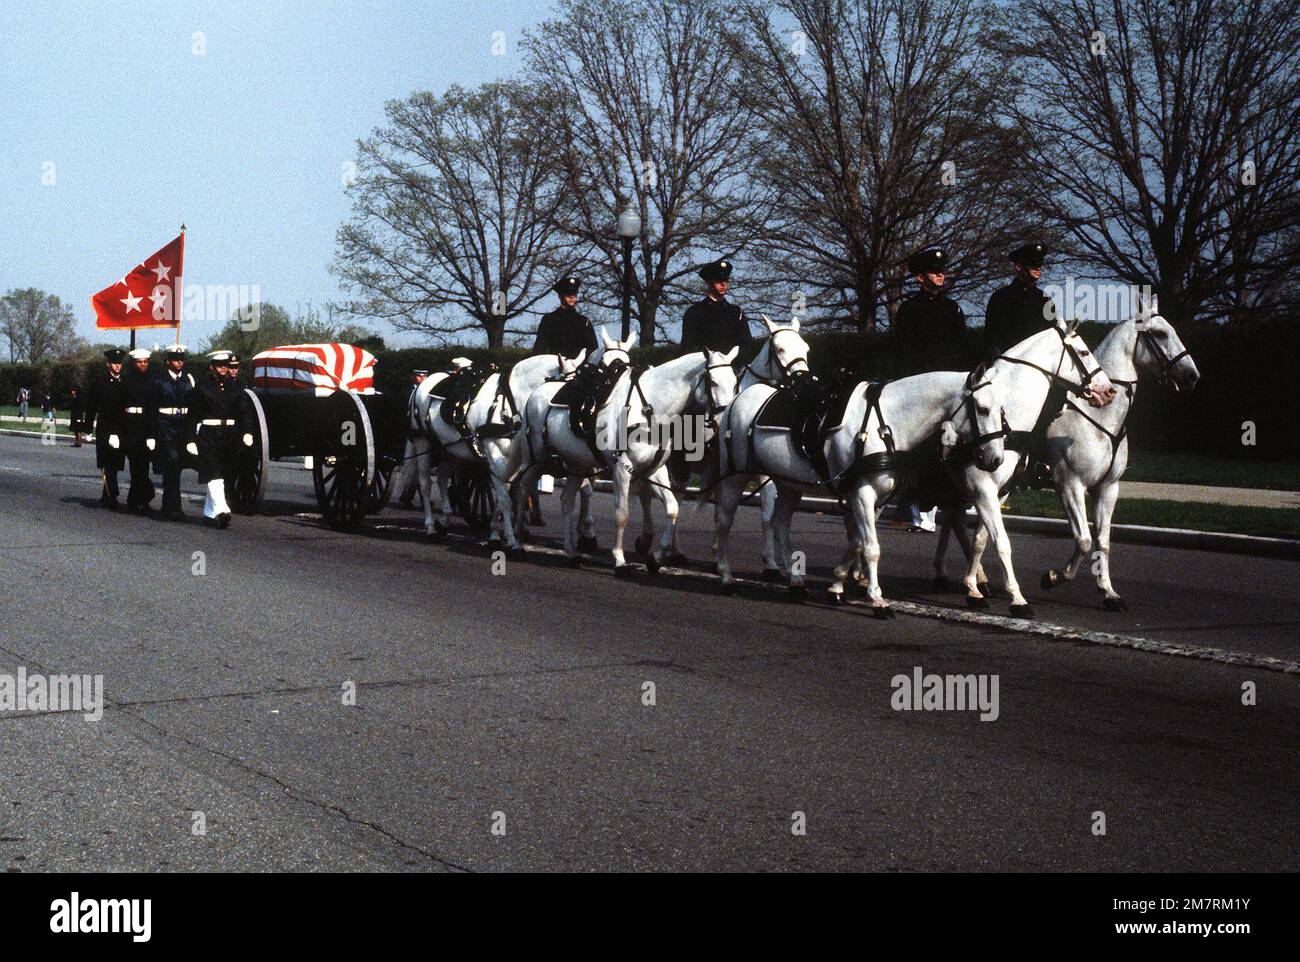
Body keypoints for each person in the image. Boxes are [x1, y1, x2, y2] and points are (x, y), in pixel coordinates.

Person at [893, 247, 970, 532]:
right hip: (921, 391)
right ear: (919, 277)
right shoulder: (910, 310)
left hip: (951, 390)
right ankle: (914, 499)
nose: (941, 275)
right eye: (934, 271)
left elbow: (962, 350)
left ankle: (950, 497)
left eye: (942, 271)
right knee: (922, 446)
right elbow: (904, 355)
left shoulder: (953, 309)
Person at [184, 351, 251, 529]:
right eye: (220, 365)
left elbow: (243, 411)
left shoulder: (236, 387)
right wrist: (190, 438)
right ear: (211, 366)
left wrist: (247, 432)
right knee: (212, 471)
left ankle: (208, 512)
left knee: (224, 472)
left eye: (226, 365)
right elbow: (192, 414)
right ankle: (222, 509)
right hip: (209, 433)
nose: (223, 368)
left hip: (229, 434)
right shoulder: (202, 387)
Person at [983, 242, 1057, 359]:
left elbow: (1053, 335)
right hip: (1010, 365)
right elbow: (993, 338)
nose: (1037, 267)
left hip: (1040, 363)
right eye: (1032, 264)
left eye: (1039, 264)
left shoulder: (1045, 299)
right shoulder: (1001, 297)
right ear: (1018, 267)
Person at [82, 349, 130, 509]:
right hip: (105, 427)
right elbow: (91, 407)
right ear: (108, 364)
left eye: (119, 364)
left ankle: (106, 493)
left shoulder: (124, 382)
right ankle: (112, 496)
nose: (117, 367)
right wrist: (88, 428)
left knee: (116, 464)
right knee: (107, 462)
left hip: (121, 428)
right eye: (114, 363)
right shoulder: (100, 383)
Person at [154, 345, 195, 520]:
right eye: (176, 359)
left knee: (177, 465)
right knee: (170, 460)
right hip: (165, 424)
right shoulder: (159, 381)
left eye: (181, 359)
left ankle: (173, 505)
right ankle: (169, 505)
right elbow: (153, 407)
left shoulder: (189, 380)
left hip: (182, 425)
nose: (180, 362)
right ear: (168, 361)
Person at [679, 259, 752, 354]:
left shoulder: (736, 312)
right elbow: (687, 348)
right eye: (719, 281)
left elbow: (746, 345)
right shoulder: (695, 312)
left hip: (733, 365)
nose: (723, 284)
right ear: (709, 283)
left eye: (726, 280)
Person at [120, 348, 159, 513]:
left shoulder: (152, 381)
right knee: (135, 464)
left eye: (145, 362)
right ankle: (142, 496)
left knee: (142, 465)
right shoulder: (125, 380)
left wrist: (152, 433)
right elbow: (119, 405)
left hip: (145, 424)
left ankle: (137, 499)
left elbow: (153, 407)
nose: (142, 365)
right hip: (129, 424)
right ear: (133, 363)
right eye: (139, 362)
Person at [533, 277, 597, 359]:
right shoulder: (549, 320)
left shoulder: (584, 322)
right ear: (560, 296)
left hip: (578, 368)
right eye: (568, 294)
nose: (571, 297)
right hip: (554, 367)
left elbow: (592, 351)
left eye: (574, 294)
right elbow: (539, 350)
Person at [397, 368, 429, 507]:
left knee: (420, 466)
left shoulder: (428, 394)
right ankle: (408, 495)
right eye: (418, 376)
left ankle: (418, 497)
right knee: (413, 466)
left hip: (422, 431)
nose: (421, 379)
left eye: (424, 376)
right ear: (413, 377)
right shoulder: (407, 392)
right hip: (411, 432)